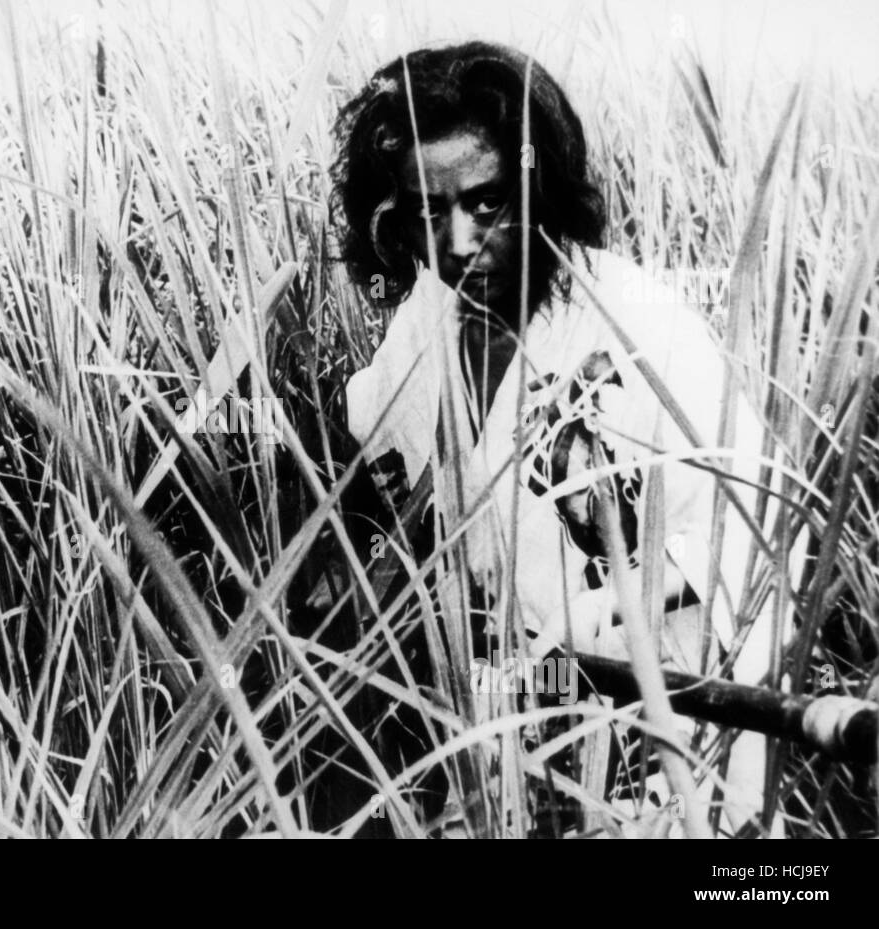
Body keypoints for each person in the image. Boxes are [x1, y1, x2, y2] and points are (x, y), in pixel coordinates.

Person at [332, 41, 782, 835]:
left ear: (538, 189)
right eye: (429, 211)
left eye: (489, 203)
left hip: (668, 710)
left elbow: (749, 524)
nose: (462, 243)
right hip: (517, 708)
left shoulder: (639, 323)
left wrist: (590, 619)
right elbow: (371, 429)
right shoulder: (426, 320)